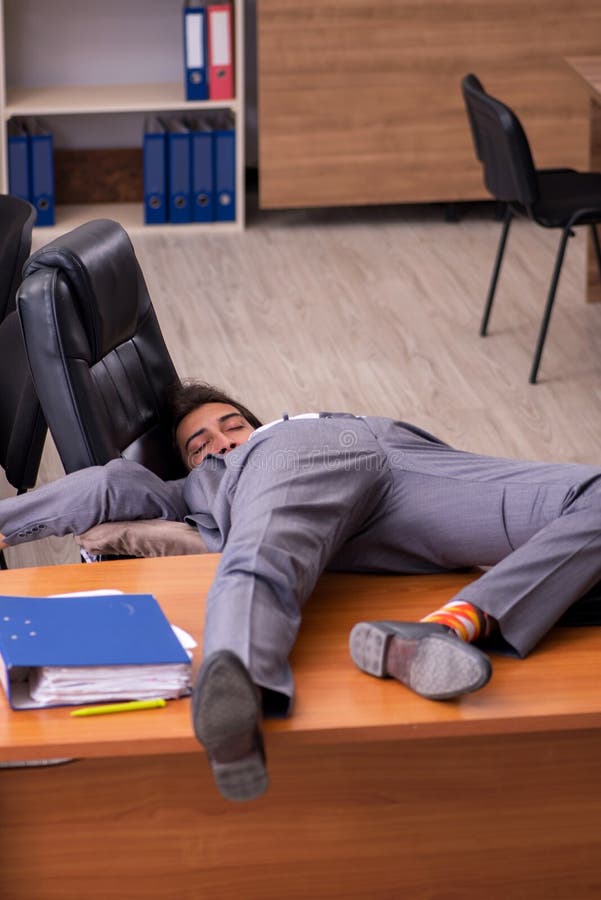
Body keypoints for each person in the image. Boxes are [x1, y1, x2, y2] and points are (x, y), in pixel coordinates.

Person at [1, 381, 601, 803]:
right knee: (264, 557)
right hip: (311, 481)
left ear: (259, 424)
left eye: (232, 425)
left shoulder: (284, 435)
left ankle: (456, 623)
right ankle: (237, 679)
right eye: (199, 445)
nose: (221, 442)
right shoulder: (204, 486)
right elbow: (109, 485)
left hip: (400, 464)